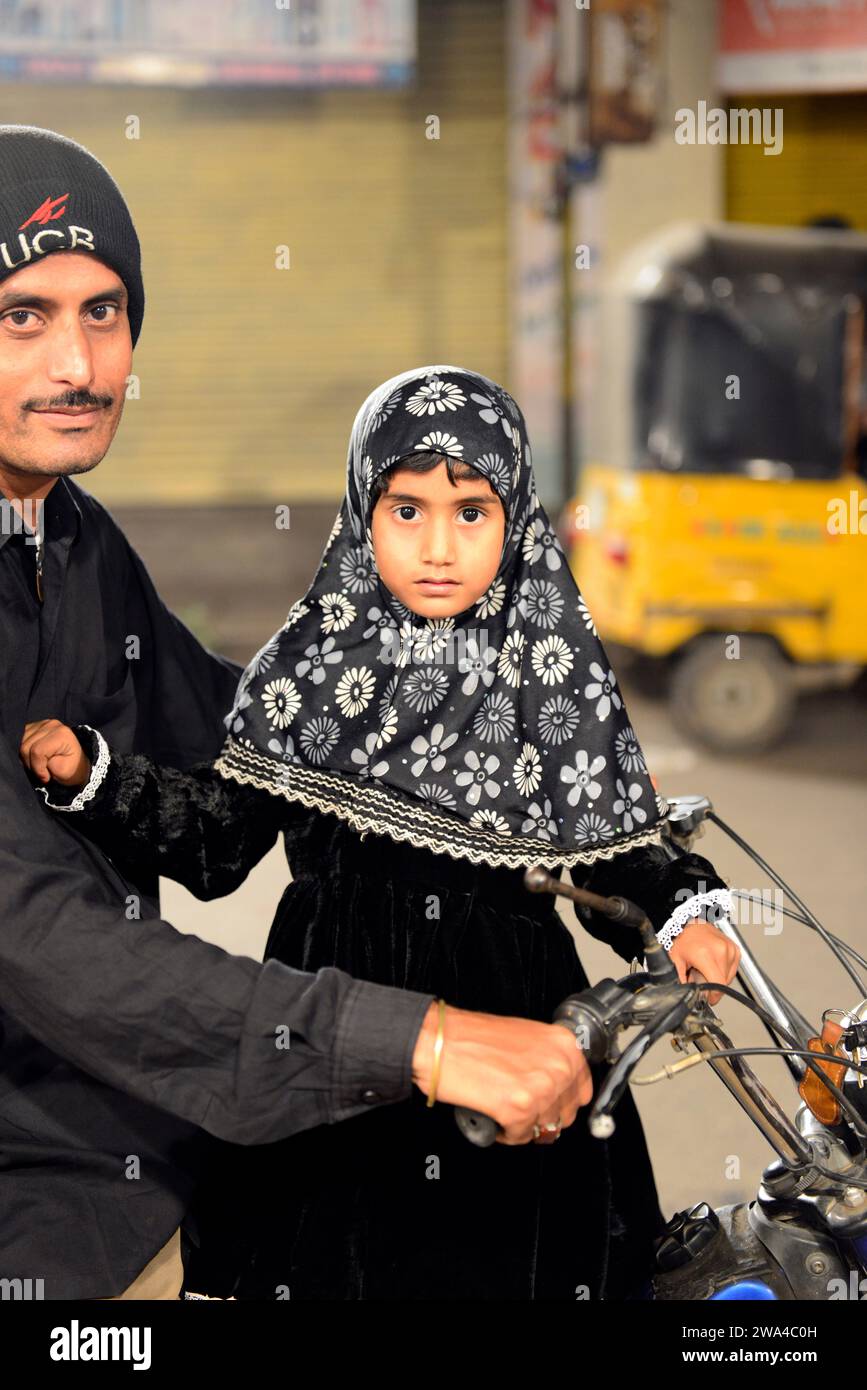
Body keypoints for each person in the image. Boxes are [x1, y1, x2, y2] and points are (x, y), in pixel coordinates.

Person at [0, 129, 586, 1301]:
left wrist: (525, 762)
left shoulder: (70, 538)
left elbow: (247, 744)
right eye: (24, 316)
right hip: (37, 1224)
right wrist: (419, 1038)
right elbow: (39, 936)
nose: (78, 361)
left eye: (105, 313)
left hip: (137, 1162)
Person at [26, 365, 741, 1300]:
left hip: (516, 1034)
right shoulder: (314, 676)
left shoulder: (548, 678)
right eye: (406, 511)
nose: (437, 546)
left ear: (515, 518)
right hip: (337, 1040)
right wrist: (101, 778)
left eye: (471, 513)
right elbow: (215, 841)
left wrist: (685, 908)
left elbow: (610, 855)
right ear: (362, 510)